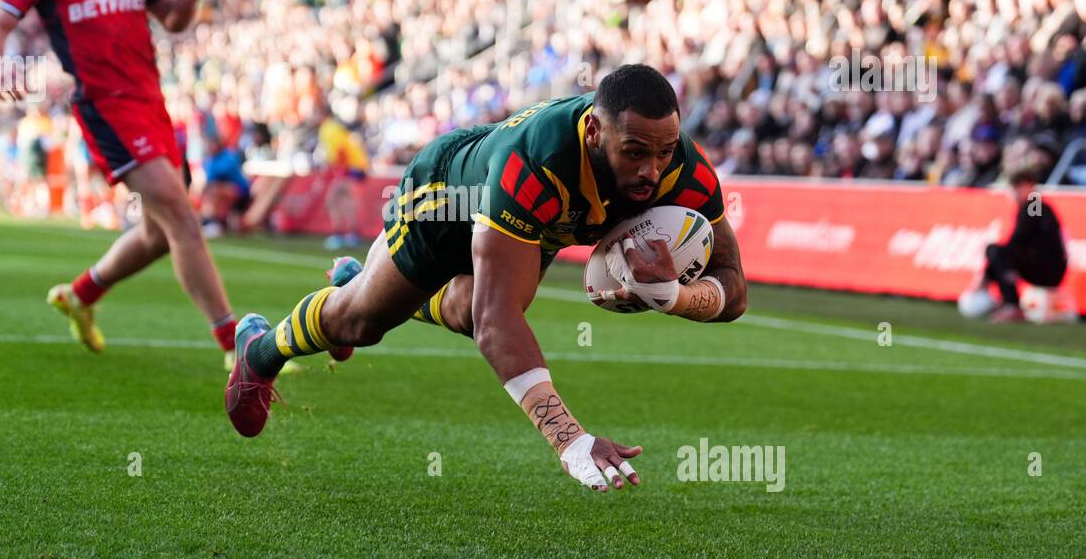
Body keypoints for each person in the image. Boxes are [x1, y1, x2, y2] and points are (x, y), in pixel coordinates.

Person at [226, 65, 748, 492]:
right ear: (594, 131)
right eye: (634, 152)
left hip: (532, 218)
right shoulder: (537, 164)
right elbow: (496, 324)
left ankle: (370, 282)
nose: (651, 172)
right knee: (363, 322)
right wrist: (570, 439)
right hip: (448, 193)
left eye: (663, 151)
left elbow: (734, 288)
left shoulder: (682, 167)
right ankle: (261, 351)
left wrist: (674, 296)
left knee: (465, 309)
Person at [0, 0, 240, 364]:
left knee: (160, 234)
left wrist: (188, 2)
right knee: (182, 218)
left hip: (153, 106)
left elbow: (173, 21)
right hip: (105, 109)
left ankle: (80, 295)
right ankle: (236, 346)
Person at [980, 168, 1070, 323]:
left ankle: (1012, 305)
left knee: (996, 252)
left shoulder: (1034, 206)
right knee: (998, 254)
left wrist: (986, 275)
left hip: (1047, 269)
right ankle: (1006, 302)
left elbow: (1017, 242)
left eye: (1015, 187)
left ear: (1027, 186)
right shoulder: (1036, 205)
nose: (1012, 193)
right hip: (1046, 265)